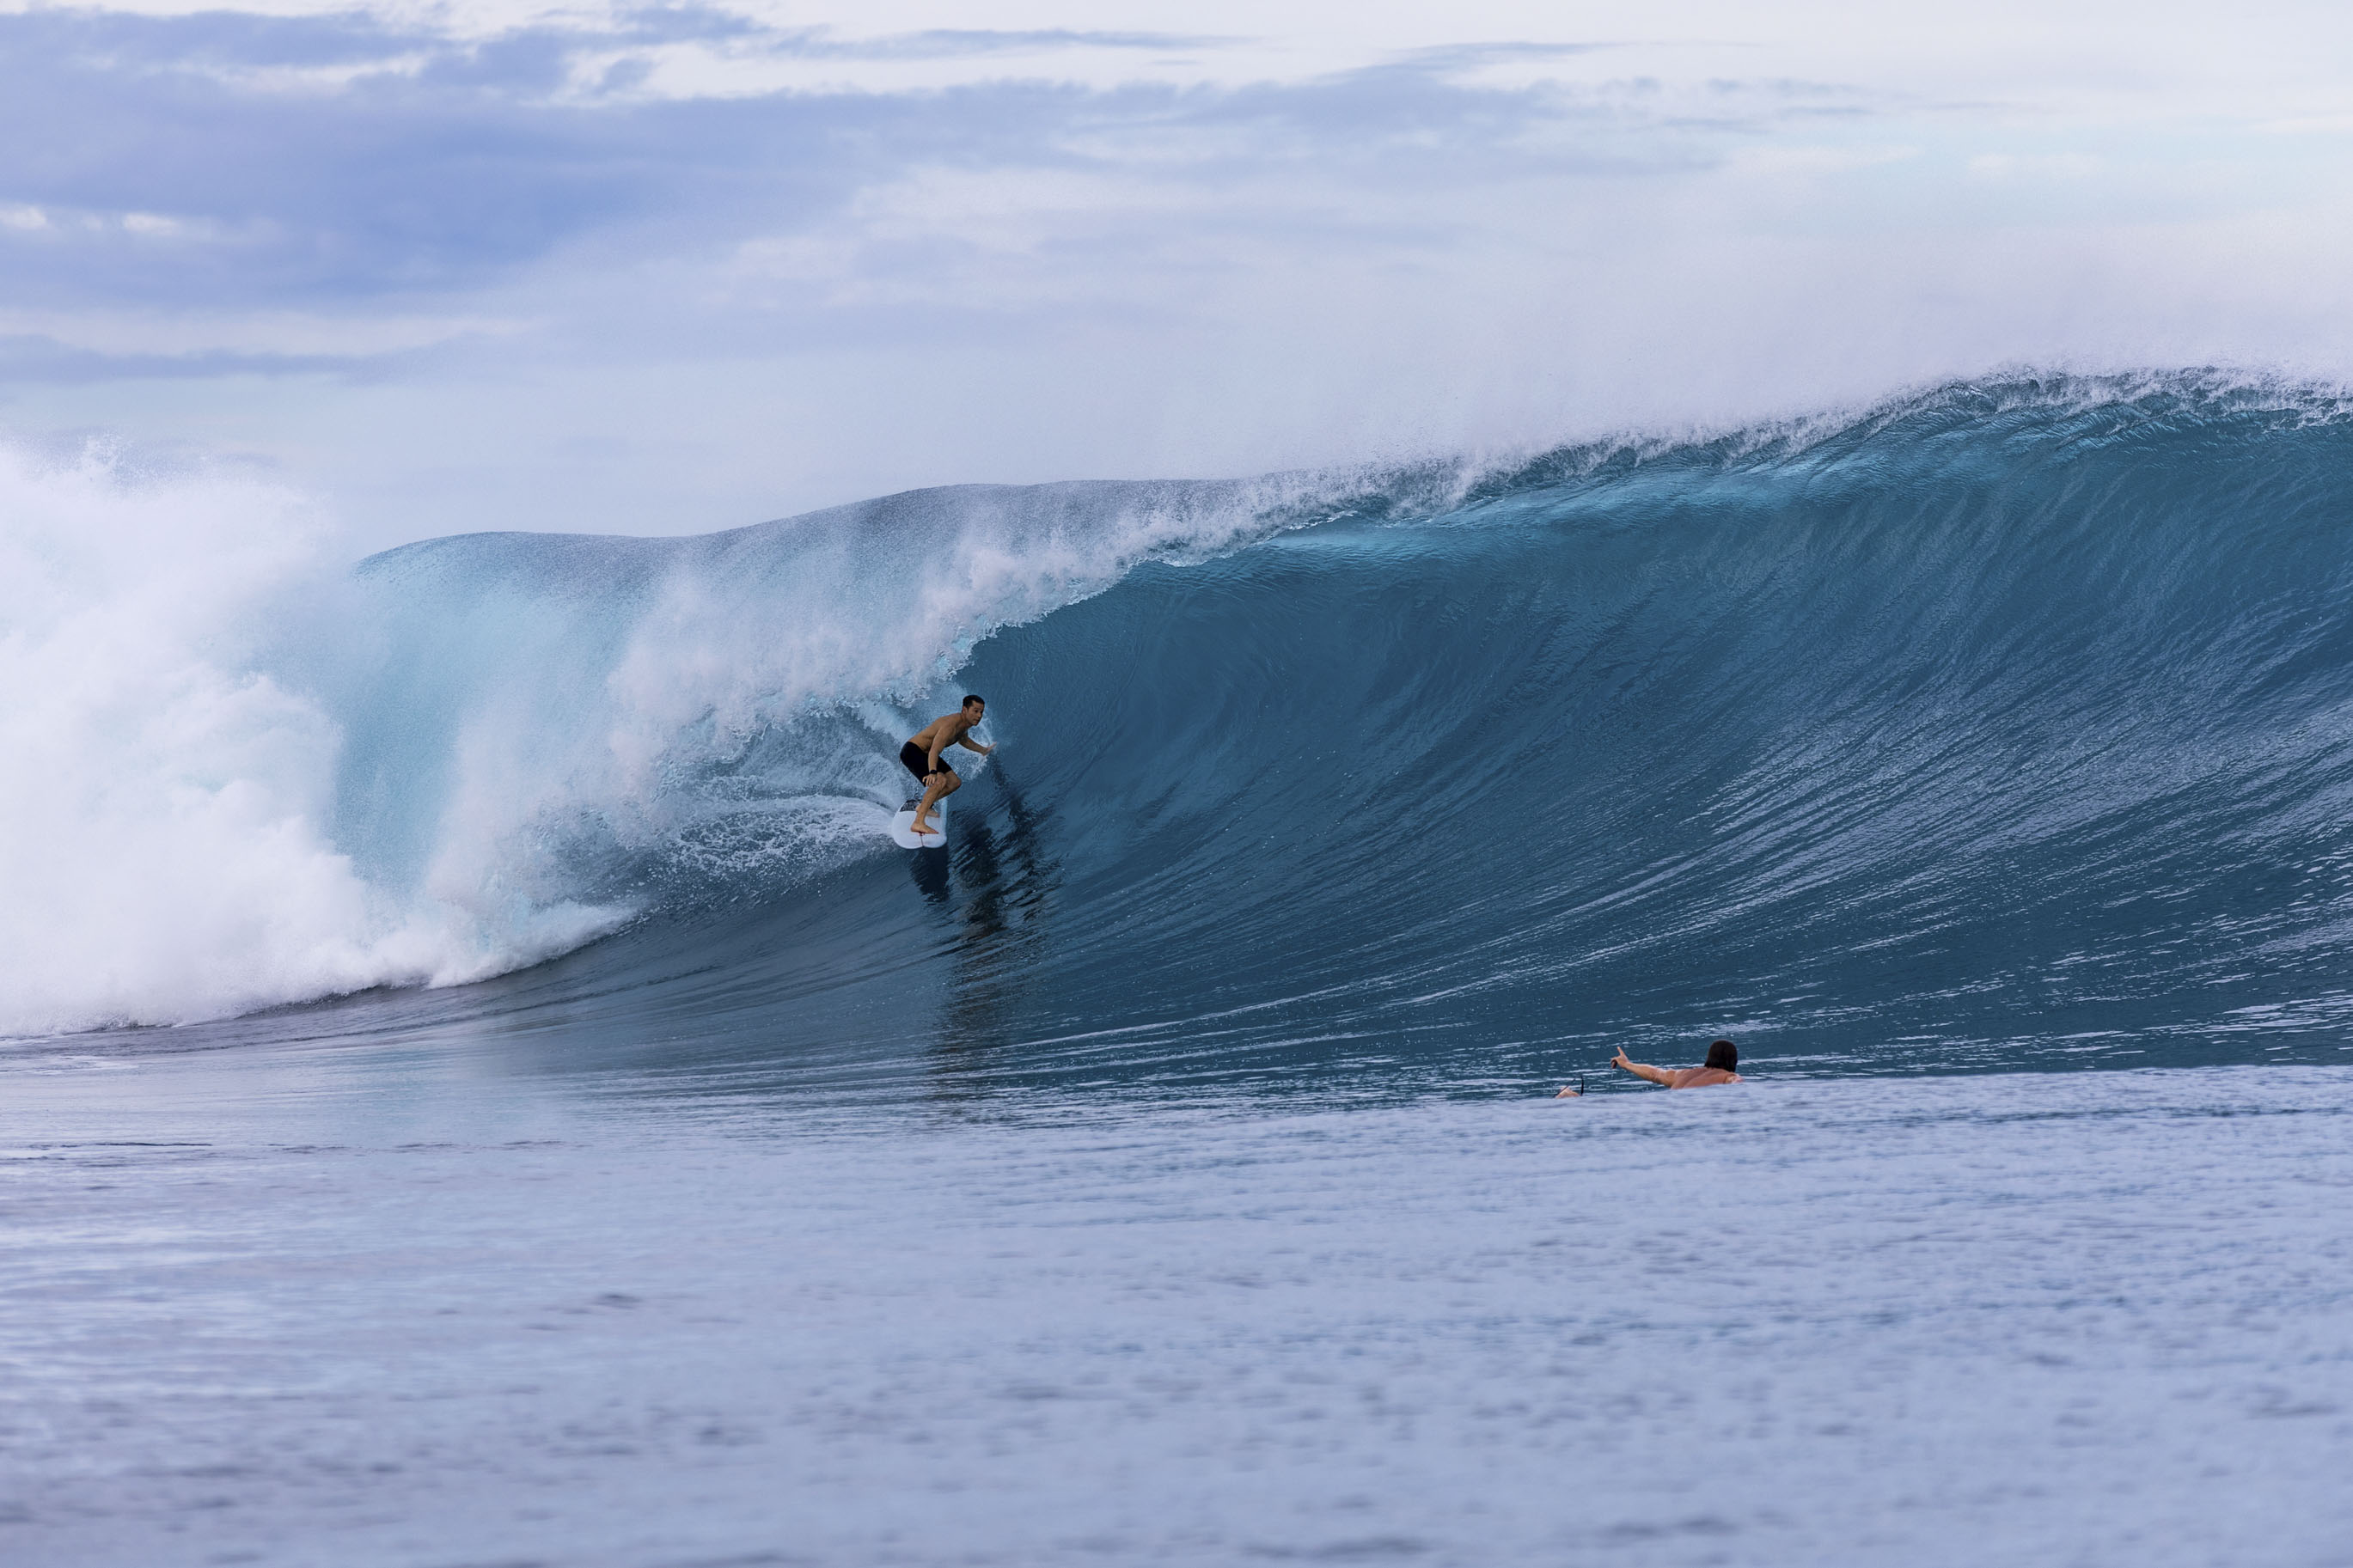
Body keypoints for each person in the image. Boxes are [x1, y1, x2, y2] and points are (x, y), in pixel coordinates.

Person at [901, 695, 993, 837]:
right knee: (941, 780)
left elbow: (964, 741)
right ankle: (918, 822)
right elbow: (934, 751)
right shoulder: (950, 726)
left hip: (925, 754)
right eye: (975, 711)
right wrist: (932, 772)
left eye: (981, 712)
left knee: (955, 783)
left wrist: (983, 751)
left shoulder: (963, 725)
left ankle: (923, 806)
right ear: (964, 710)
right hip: (912, 752)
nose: (979, 715)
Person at [1603, 1037, 1742, 1091]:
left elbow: (1655, 1074)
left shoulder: (1683, 1074)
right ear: (1733, 1061)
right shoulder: (1727, 1077)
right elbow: (1737, 1083)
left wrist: (1627, 1064)